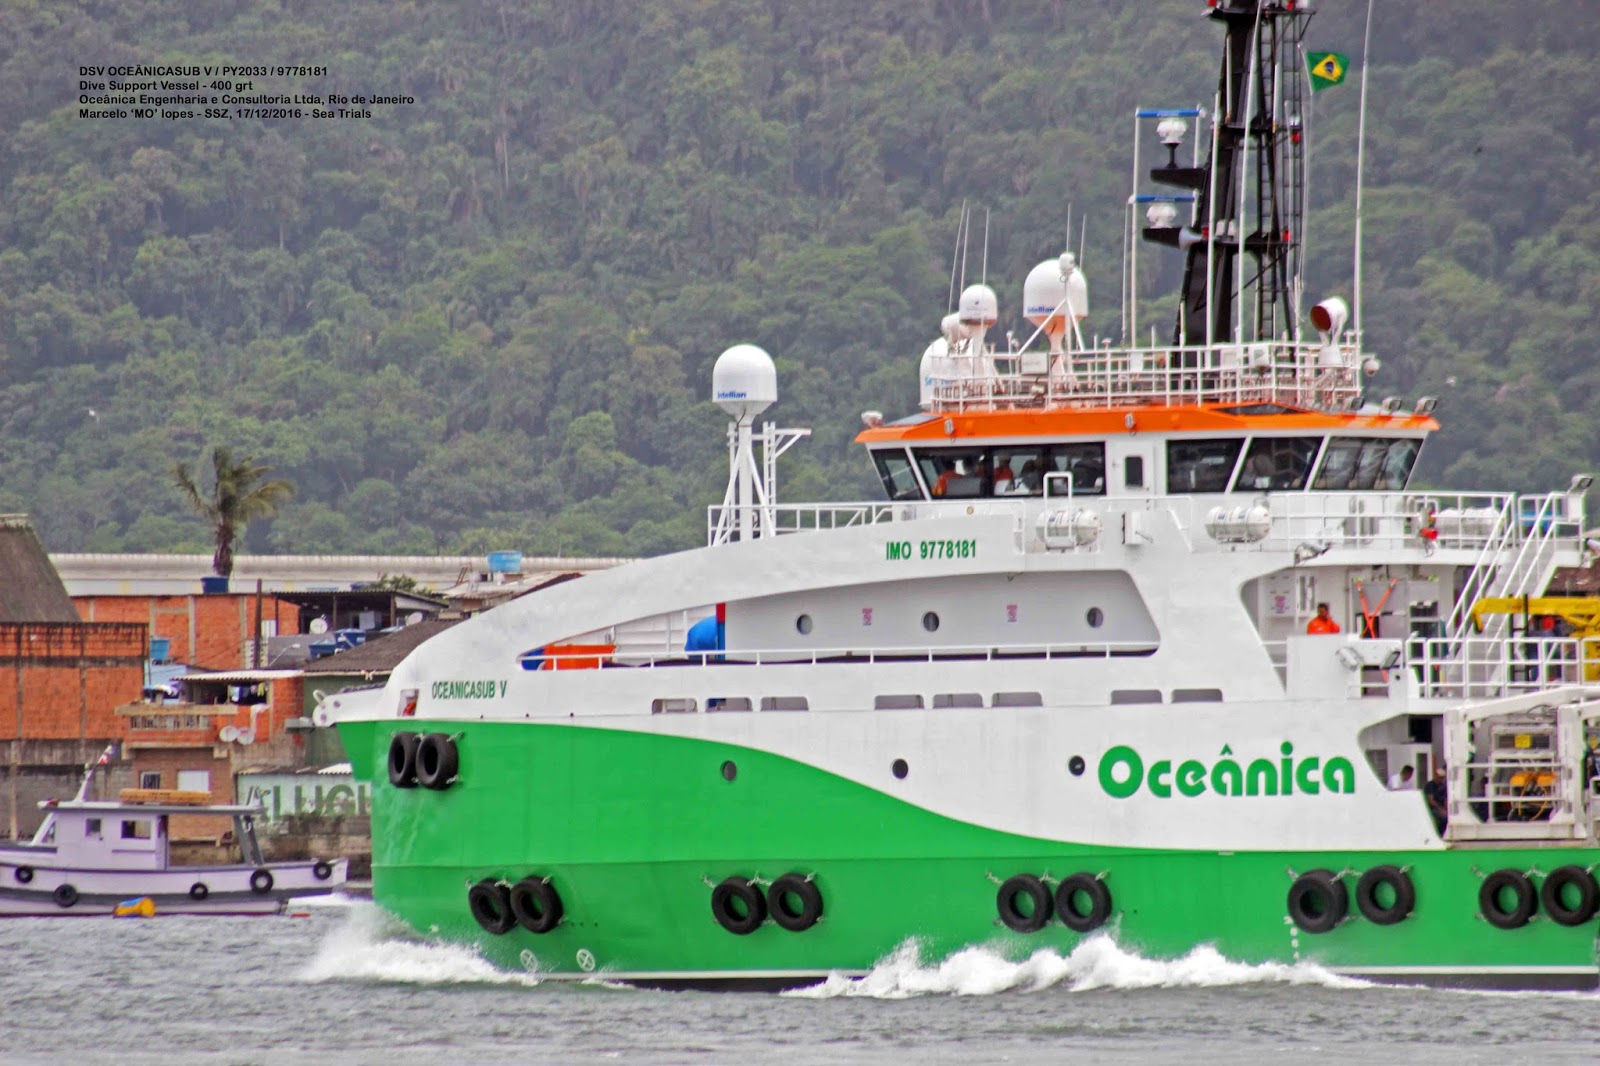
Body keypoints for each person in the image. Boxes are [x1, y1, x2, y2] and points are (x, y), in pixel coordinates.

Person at [1423, 765, 1448, 834]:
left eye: (1442, 778)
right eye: (1440, 777)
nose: (1441, 779)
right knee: (1444, 817)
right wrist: (1441, 809)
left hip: (1440, 807)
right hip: (1432, 808)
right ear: (1436, 776)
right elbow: (1431, 800)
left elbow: (1445, 799)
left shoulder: (1442, 786)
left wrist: (1446, 808)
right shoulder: (1429, 785)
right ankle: (1439, 833)